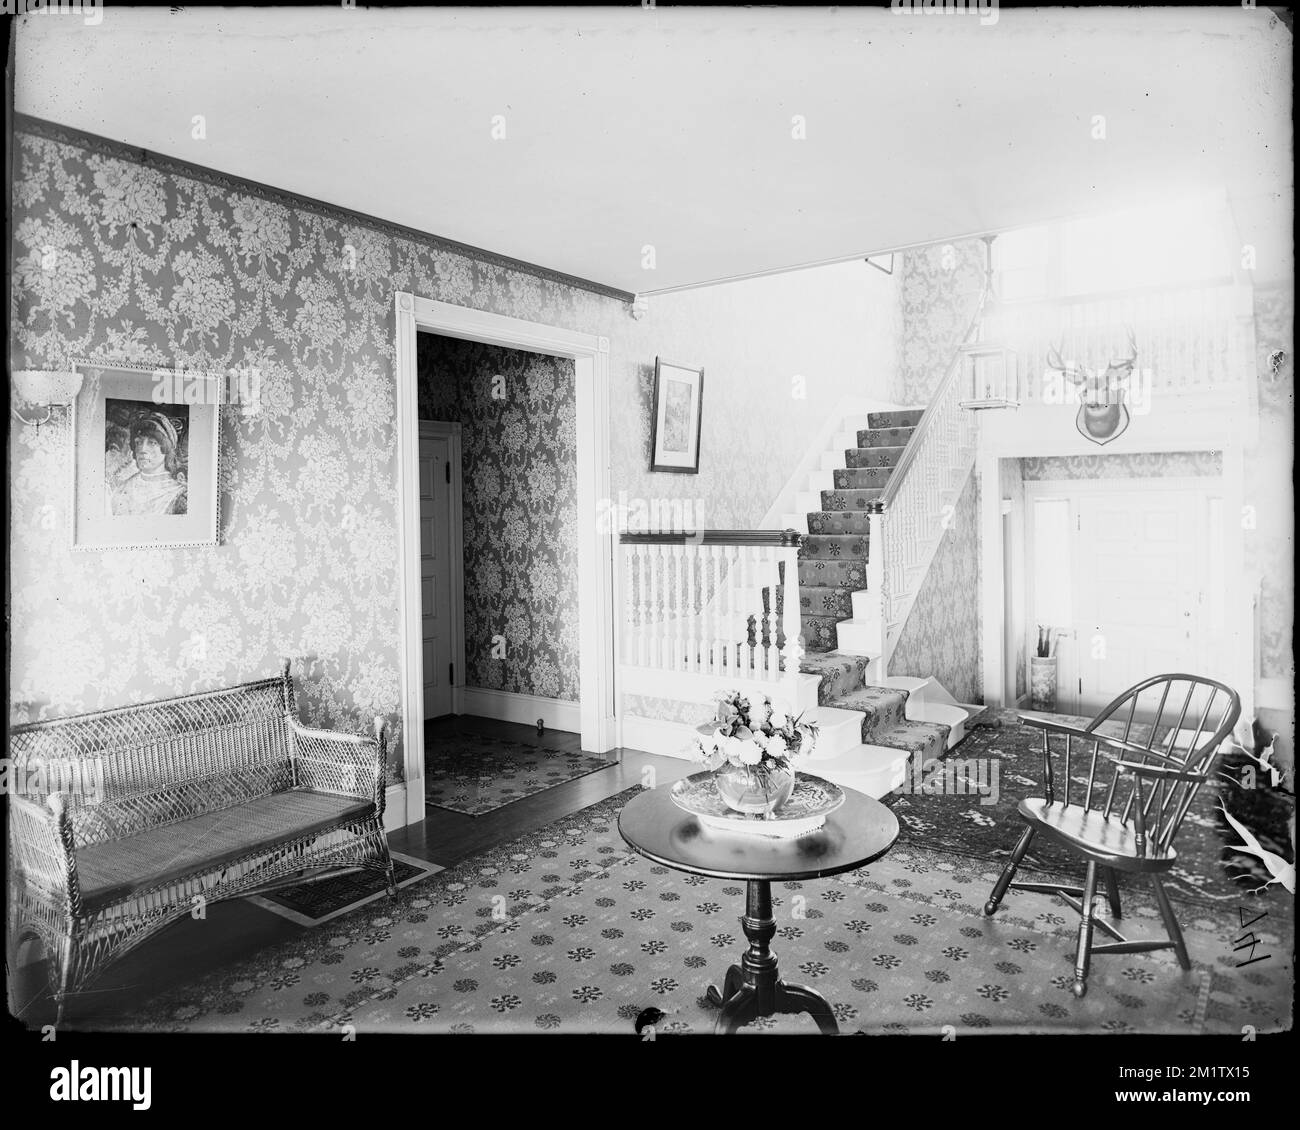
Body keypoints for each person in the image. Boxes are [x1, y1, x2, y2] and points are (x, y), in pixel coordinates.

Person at [110, 412, 188, 516]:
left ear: (166, 448)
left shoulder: (180, 495)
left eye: (152, 443)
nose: (142, 449)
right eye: (138, 442)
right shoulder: (121, 490)